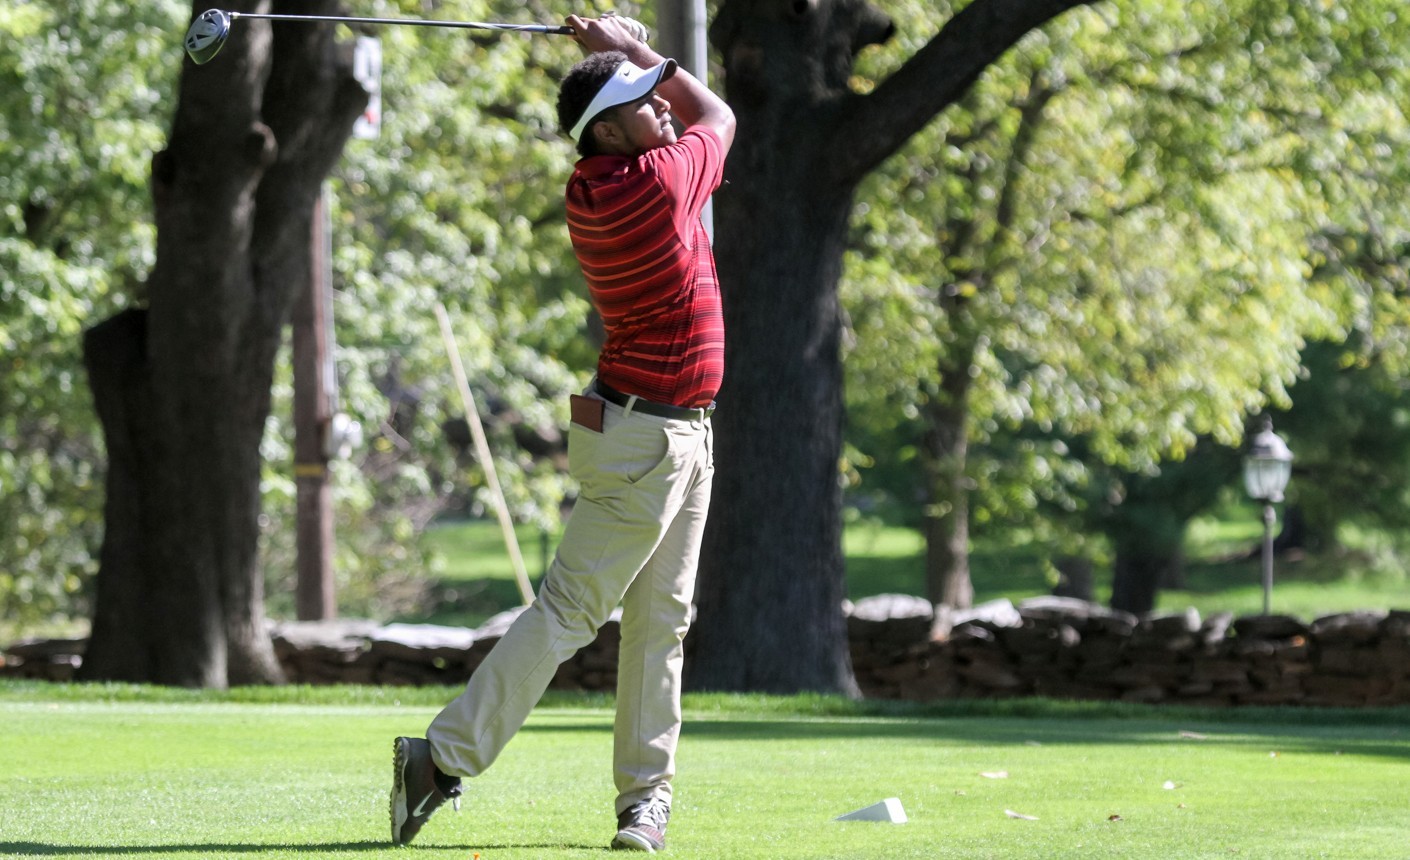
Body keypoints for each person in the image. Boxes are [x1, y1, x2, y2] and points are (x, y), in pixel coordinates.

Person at [389, 11, 736, 853]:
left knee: (662, 625)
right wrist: (630, 49)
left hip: (675, 434)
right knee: (573, 609)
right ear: (607, 131)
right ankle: (437, 759)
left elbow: (685, 118)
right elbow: (718, 117)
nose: (661, 107)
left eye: (655, 97)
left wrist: (616, 63)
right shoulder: (652, 182)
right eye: (641, 101)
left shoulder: (599, 181)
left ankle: (641, 804)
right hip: (647, 440)